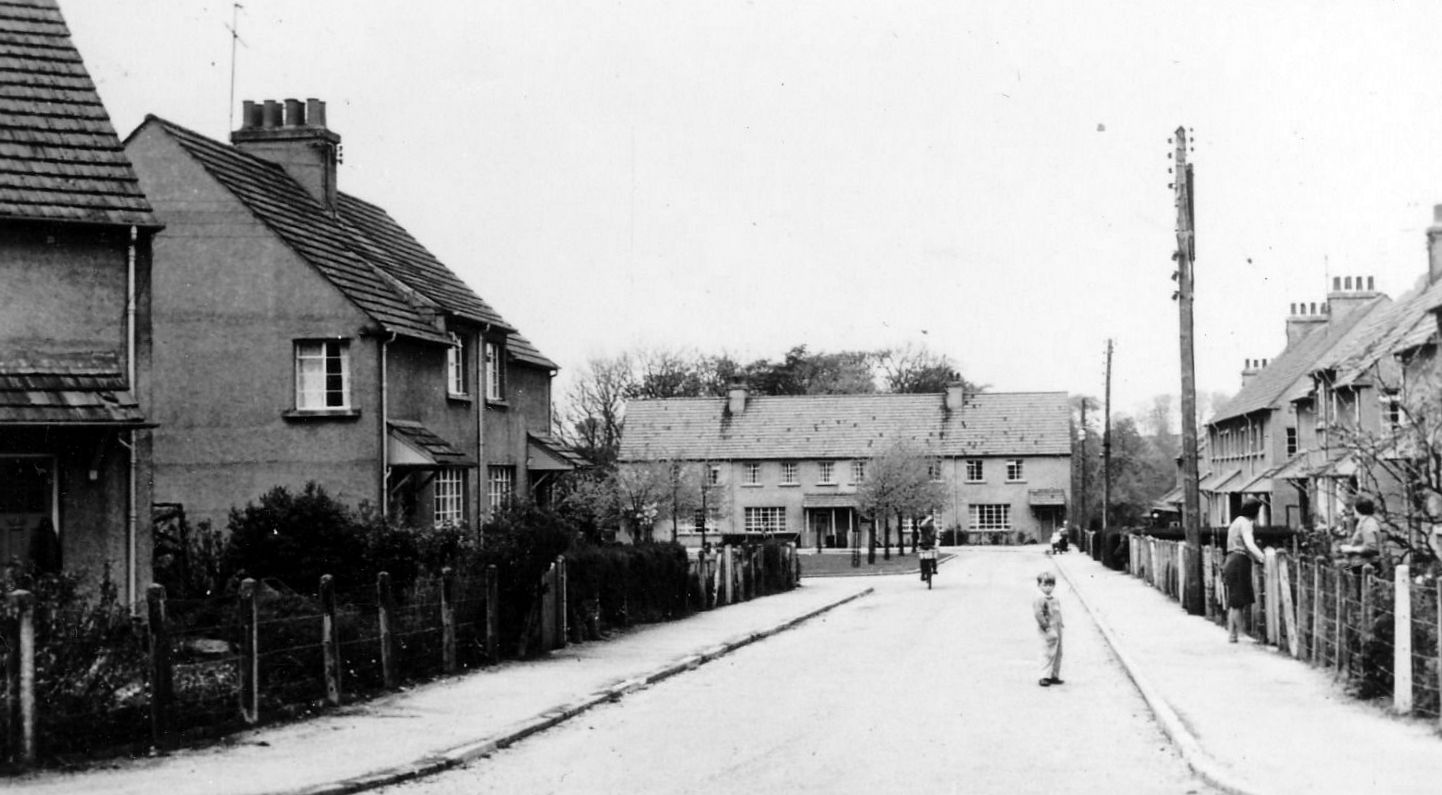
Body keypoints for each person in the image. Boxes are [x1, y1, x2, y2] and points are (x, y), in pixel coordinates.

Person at [1223, 498, 1266, 643]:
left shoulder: (1236, 521)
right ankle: (1243, 633)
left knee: (1234, 599)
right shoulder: (1246, 524)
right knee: (1239, 601)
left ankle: (1232, 634)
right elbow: (1249, 544)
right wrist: (1263, 557)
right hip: (1239, 561)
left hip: (1230, 559)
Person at [1033, 570, 1064, 686]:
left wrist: (1061, 623)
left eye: (1051, 585)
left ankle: (1054, 675)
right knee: (1047, 651)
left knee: (1058, 652)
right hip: (1047, 627)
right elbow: (1038, 614)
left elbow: (1057, 611)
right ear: (1039, 585)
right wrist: (1045, 627)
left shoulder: (1054, 598)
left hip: (1057, 626)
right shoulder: (1040, 599)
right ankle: (1044, 676)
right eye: (1045, 585)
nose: (1048, 588)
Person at [1338, 497, 1382, 570]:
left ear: (1358, 510)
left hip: (1366, 566)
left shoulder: (1368, 524)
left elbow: (1371, 548)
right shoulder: (1364, 522)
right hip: (1361, 564)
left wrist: (1351, 549)